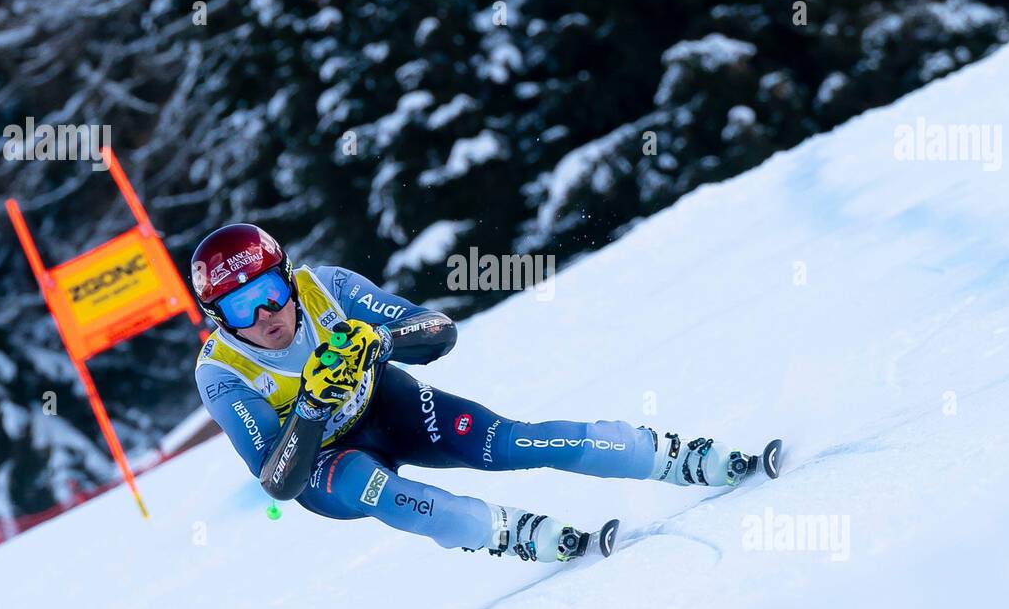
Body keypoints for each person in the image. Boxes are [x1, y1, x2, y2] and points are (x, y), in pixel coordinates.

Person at [191, 223, 772, 562]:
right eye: (242, 306)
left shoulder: (328, 288)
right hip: (323, 464)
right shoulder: (222, 372)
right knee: (379, 488)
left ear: (289, 278)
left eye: (269, 290)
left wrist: (380, 340)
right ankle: (507, 532)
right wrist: (314, 406)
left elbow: (439, 332)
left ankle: (670, 456)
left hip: (386, 406)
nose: (266, 314)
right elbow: (279, 480)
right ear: (219, 319)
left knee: (512, 443)